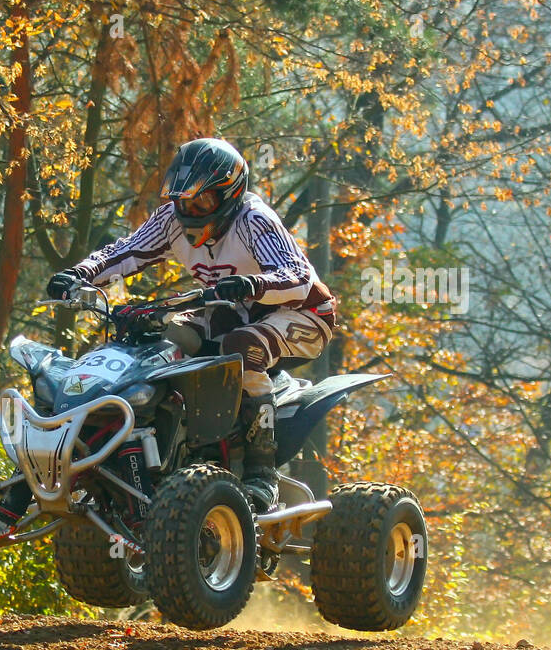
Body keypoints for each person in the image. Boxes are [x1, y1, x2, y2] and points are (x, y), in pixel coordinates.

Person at [46, 137, 336, 511]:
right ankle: (172, 444)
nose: (191, 212)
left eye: (202, 202)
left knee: (242, 346)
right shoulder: (171, 219)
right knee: (159, 337)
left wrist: (254, 283)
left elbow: (299, 278)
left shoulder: (254, 220)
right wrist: (79, 273)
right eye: (184, 202)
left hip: (302, 313)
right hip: (230, 310)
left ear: (230, 195)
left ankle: (261, 473)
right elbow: (127, 251)